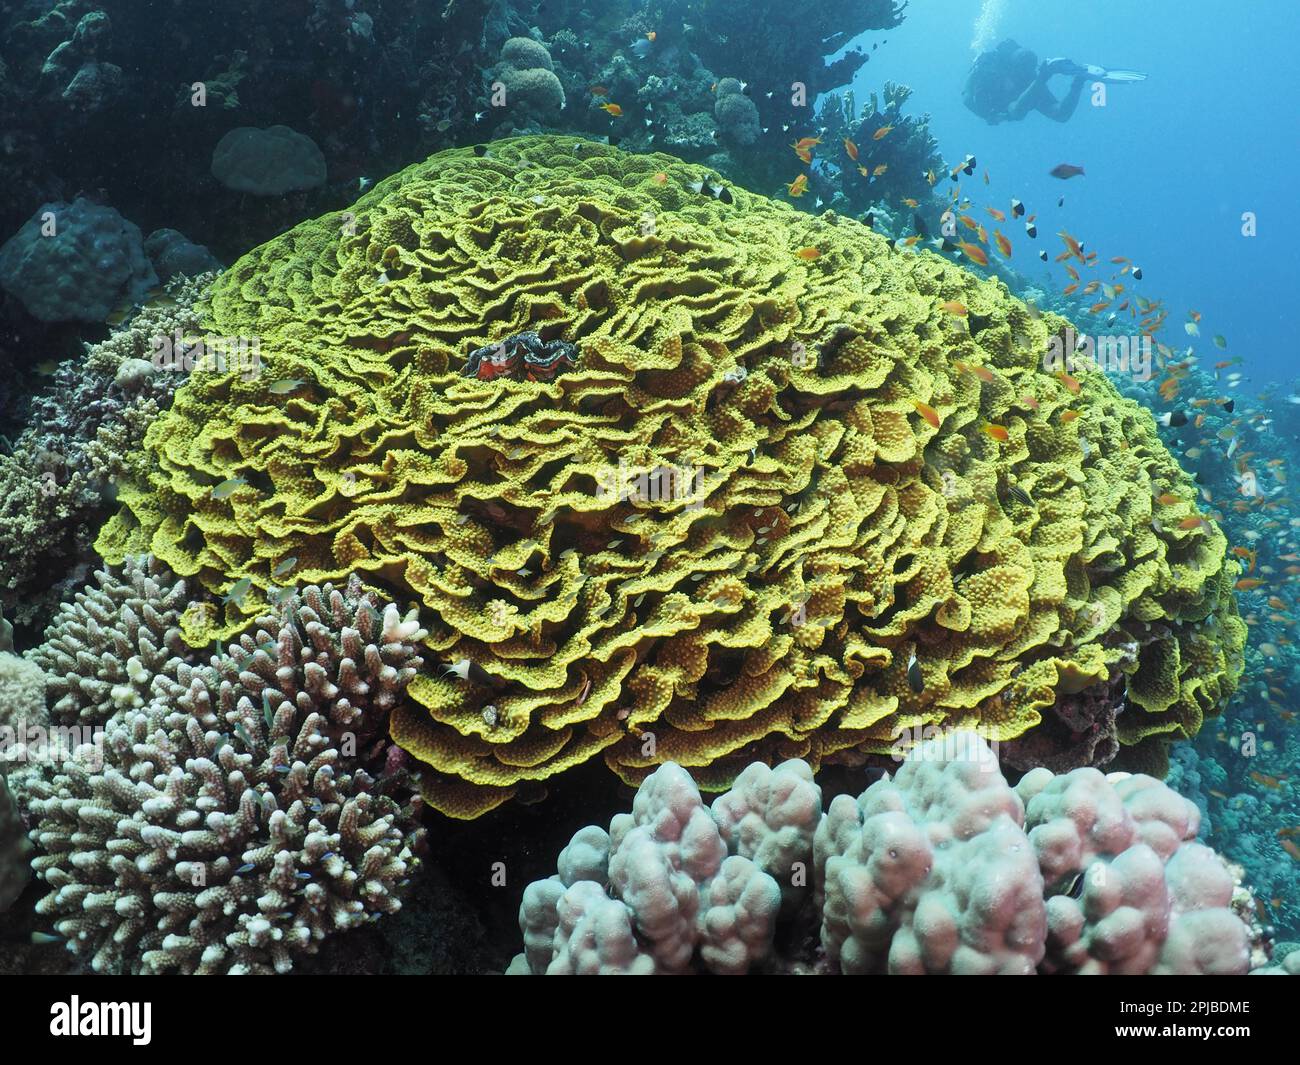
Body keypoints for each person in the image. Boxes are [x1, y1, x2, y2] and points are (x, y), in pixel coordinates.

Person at [963, 39, 1145, 125]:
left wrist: (1045, 77)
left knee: (1016, 112)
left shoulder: (989, 77)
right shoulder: (991, 78)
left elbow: (1015, 110)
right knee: (1052, 114)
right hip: (1025, 82)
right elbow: (1059, 113)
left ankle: (1050, 70)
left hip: (1020, 85)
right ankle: (1065, 74)